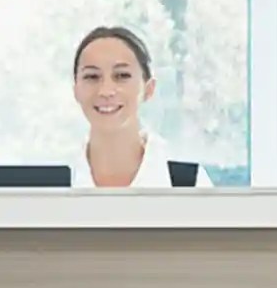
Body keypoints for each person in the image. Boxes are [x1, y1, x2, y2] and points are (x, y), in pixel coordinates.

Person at [69, 26, 213, 188]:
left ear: (149, 88)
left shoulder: (188, 181)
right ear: (76, 90)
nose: (106, 91)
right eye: (92, 76)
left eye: (122, 75)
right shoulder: (56, 180)